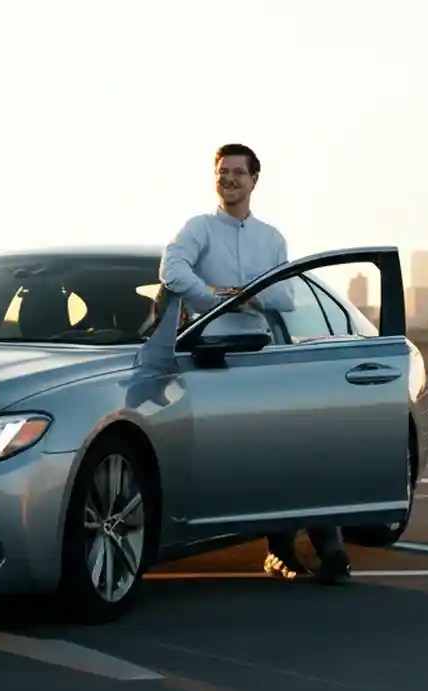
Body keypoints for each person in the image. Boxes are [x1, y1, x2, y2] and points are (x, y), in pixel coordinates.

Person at [158, 142, 352, 585]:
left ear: (253, 180)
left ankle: (328, 548)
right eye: (222, 172)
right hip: (209, 360)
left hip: (264, 358)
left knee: (295, 454)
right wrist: (213, 300)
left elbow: (286, 295)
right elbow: (171, 270)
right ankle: (278, 548)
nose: (229, 179)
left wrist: (247, 296)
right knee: (241, 458)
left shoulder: (271, 238)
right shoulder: (200, 228)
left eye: (237, 173)